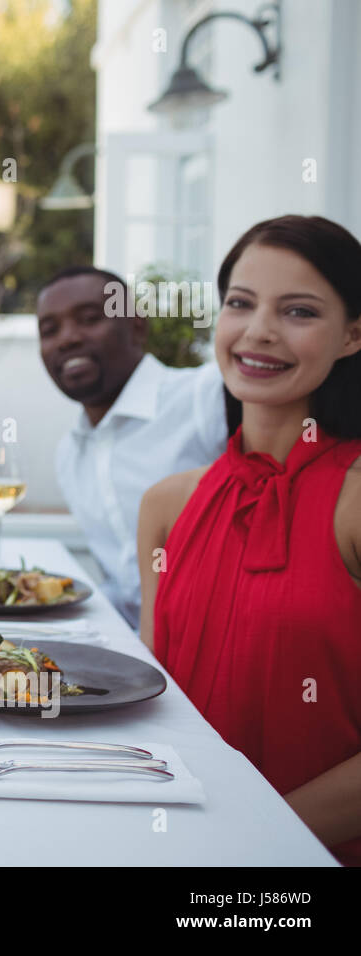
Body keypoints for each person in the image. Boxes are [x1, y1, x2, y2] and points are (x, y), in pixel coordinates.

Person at [138, 215, 361, 866]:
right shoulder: (166, 506)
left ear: (353, 334)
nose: (259, 330)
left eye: (298, 311)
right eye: (241, 303)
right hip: (178, 847)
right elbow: (157, 701)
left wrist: (251, 841)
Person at [37, 266, 227, 629]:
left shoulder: (204, 396)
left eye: (91, 318)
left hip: (219, 643)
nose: (67, 339)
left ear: (136, 326)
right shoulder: (70, 454)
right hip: (136, 652)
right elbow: (123, 586)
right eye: (50, 330)